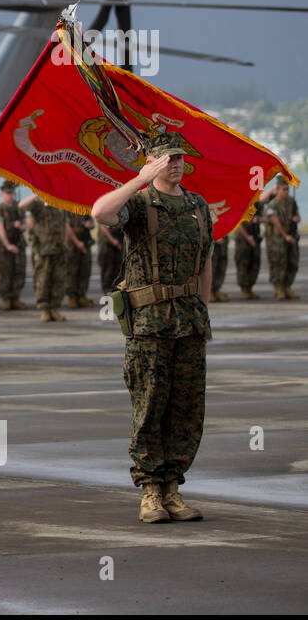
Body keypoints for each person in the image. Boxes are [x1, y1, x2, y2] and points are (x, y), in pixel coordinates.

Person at [93, 132, 211, 522]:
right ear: (153, 163)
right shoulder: (141, 203)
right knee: (150, 405)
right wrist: (140, 178)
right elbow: (100, 213)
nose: (175, 164)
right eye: (166, 159)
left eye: (178, 158)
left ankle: (173, 486)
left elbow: (205, 261)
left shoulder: (197, 205)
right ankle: (150, 490)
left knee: (187, 408)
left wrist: (203, 308)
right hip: (150, 324)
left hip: (189, 322)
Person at [20, 194, 71, 322]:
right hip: (43, 249)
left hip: (58, 248)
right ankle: (44, 309)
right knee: (43, 279)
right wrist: (37, 193)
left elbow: (64, 225)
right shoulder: (38, 203)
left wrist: (65, 243)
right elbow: (21, 206)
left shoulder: (60, 203)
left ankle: (54, 308)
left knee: (59, 279)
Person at [0, 181, 27, 310]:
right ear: (2, 194)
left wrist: (20, 226)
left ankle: (15, 297)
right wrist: (7, 245)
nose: (10, 196)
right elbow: (0, 229)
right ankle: (6, 298)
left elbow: (26, 225)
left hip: (18, 243)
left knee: (19, 271)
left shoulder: (19, 208)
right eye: (8, 193)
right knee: (5, 271)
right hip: (5, 246)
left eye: (12, 193)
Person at [264, 176, 301, 299]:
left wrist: (296, 218)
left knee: (292, 262)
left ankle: (287, 286)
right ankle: (278, 288)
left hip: (291, 237)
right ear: (278, 190)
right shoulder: (273, 204)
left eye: (287, 189)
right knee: (278, 263)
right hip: (277, 240)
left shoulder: (291, 202)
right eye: (283, 189)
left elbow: (297, 215)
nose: (286, 192)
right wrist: (286, 236)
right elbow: (275, 221)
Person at [64, 211, 96, 308]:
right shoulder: (67, 206)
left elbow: (92, 225)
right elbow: (67, 226)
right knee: (72, 271)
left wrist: (89, 225)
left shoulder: (86, 208)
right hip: (73, 245)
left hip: (85, 242)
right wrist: (77, 242)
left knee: (85, 270)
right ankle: (72, 297)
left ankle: (81, 296)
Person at [234, 201, 263, 298]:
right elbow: (237, 223)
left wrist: (259, 219)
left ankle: (249, 288)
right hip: (243, 240)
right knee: (243, 263)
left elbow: (265, 216)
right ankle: (244, 289)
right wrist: (247, 237)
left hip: (254, 237)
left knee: (254, 263)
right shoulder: (240, 203)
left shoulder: (256, 205)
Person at [98, 220, 125, 295]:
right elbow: (102, 225)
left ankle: (115, 294)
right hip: (107, 244)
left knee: (117, 269)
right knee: (108, 270)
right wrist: (112, 240)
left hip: (118, 240)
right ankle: (107, 293)